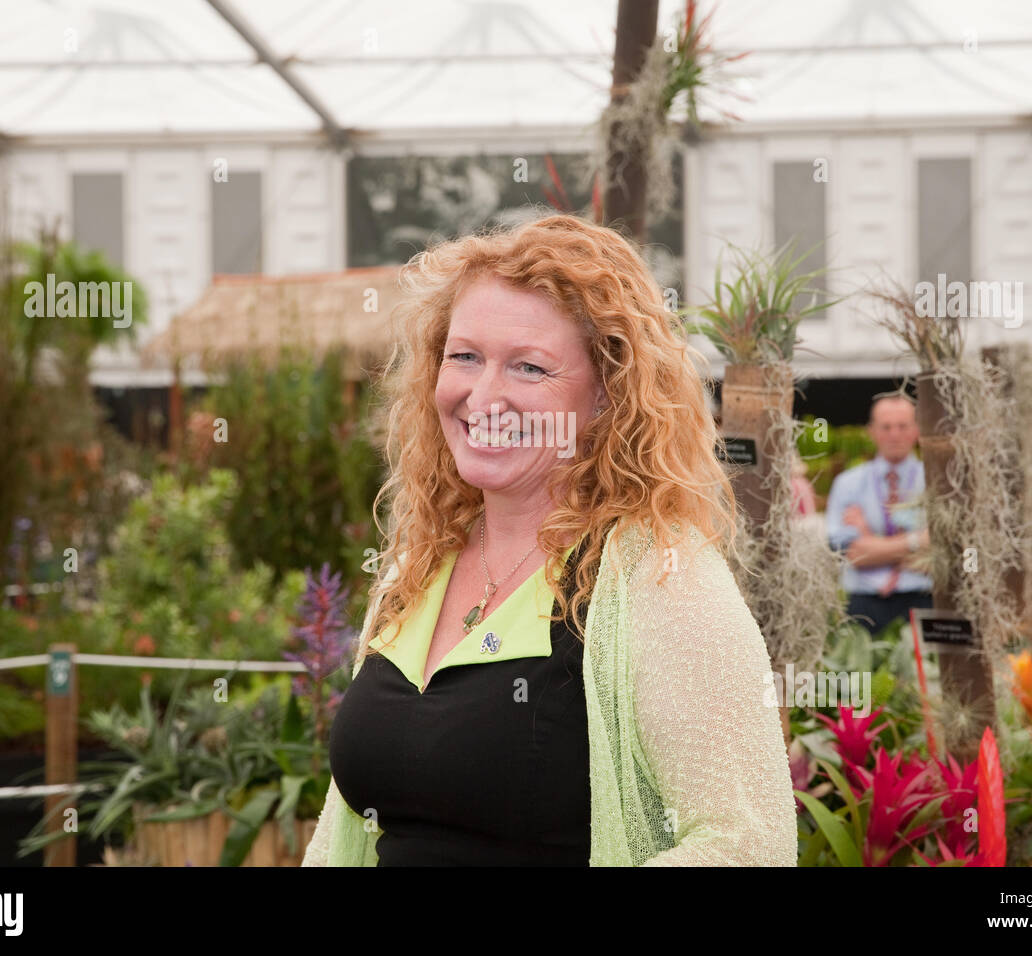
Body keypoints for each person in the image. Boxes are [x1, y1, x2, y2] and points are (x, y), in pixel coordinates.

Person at [302, 214, 796, 867]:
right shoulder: (417, 567)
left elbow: (748, 846)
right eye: (465, 356)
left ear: (605, 397)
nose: (484, 396)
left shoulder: (659, 575)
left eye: (529, 368)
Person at [824, 394, 932, 635]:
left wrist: (870, 542)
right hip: (864, 604)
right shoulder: (848, 483)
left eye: (902, 426)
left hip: (923, 600)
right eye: (886, 427)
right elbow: (850, 553)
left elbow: (944, 555)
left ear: (916, 430)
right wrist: (917, 543)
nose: (894, 434)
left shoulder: (936, 481)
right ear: (872, 431)